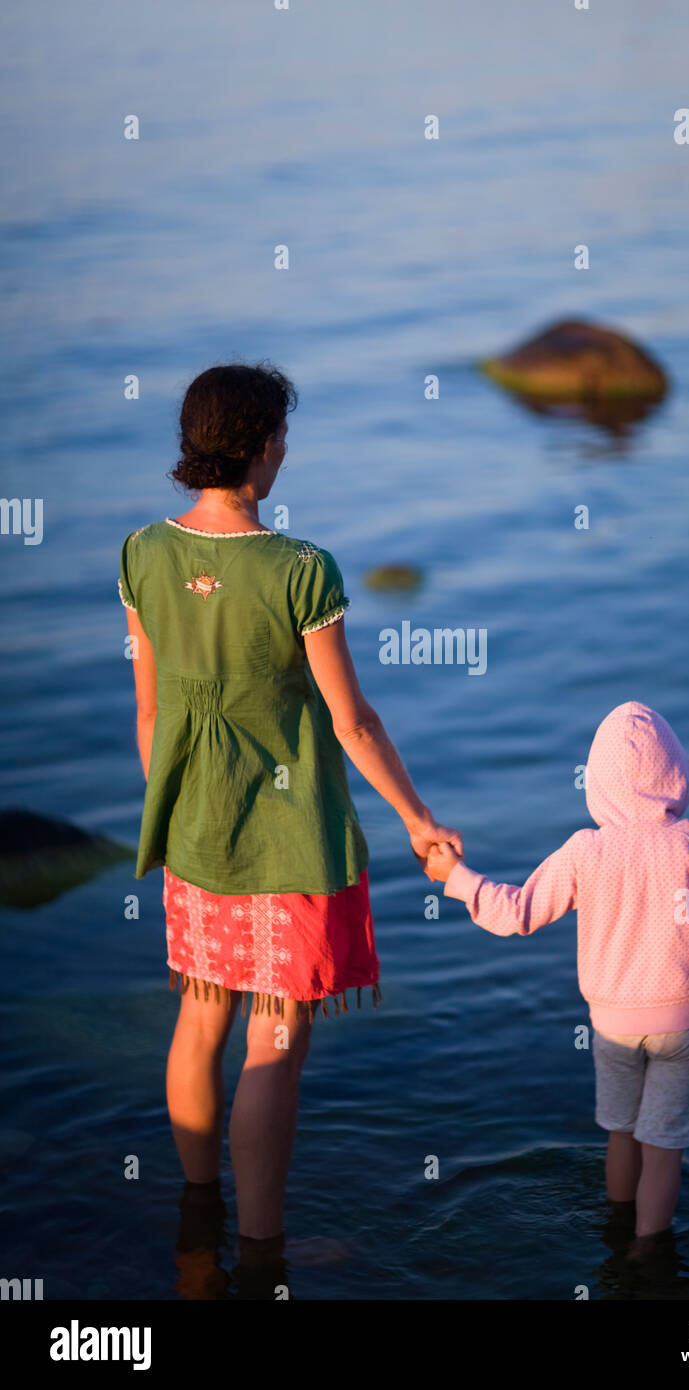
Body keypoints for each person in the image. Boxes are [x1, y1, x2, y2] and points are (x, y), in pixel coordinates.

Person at [118, 361, 461, 1274]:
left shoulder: (142, 554)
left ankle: (199, 1225)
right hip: (286, 845)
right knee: (275, 1040)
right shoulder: (301, 569)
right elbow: (352, 721)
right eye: (281, 439)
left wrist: (188, 819)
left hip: (191, 833)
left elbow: (151, 716)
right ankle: (263, 1253)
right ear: (265, 448)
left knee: (201, 1021)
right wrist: (419, 819)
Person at [424, 700, 689, 1257]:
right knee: (664, 1147)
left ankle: (616, 1234)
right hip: (682, 1024)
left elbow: (516, 912)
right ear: (676, 773)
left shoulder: (584, 851)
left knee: (621, 1133)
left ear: (597, 784)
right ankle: (647, 1252)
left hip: (612, 1025)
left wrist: (459, 877)